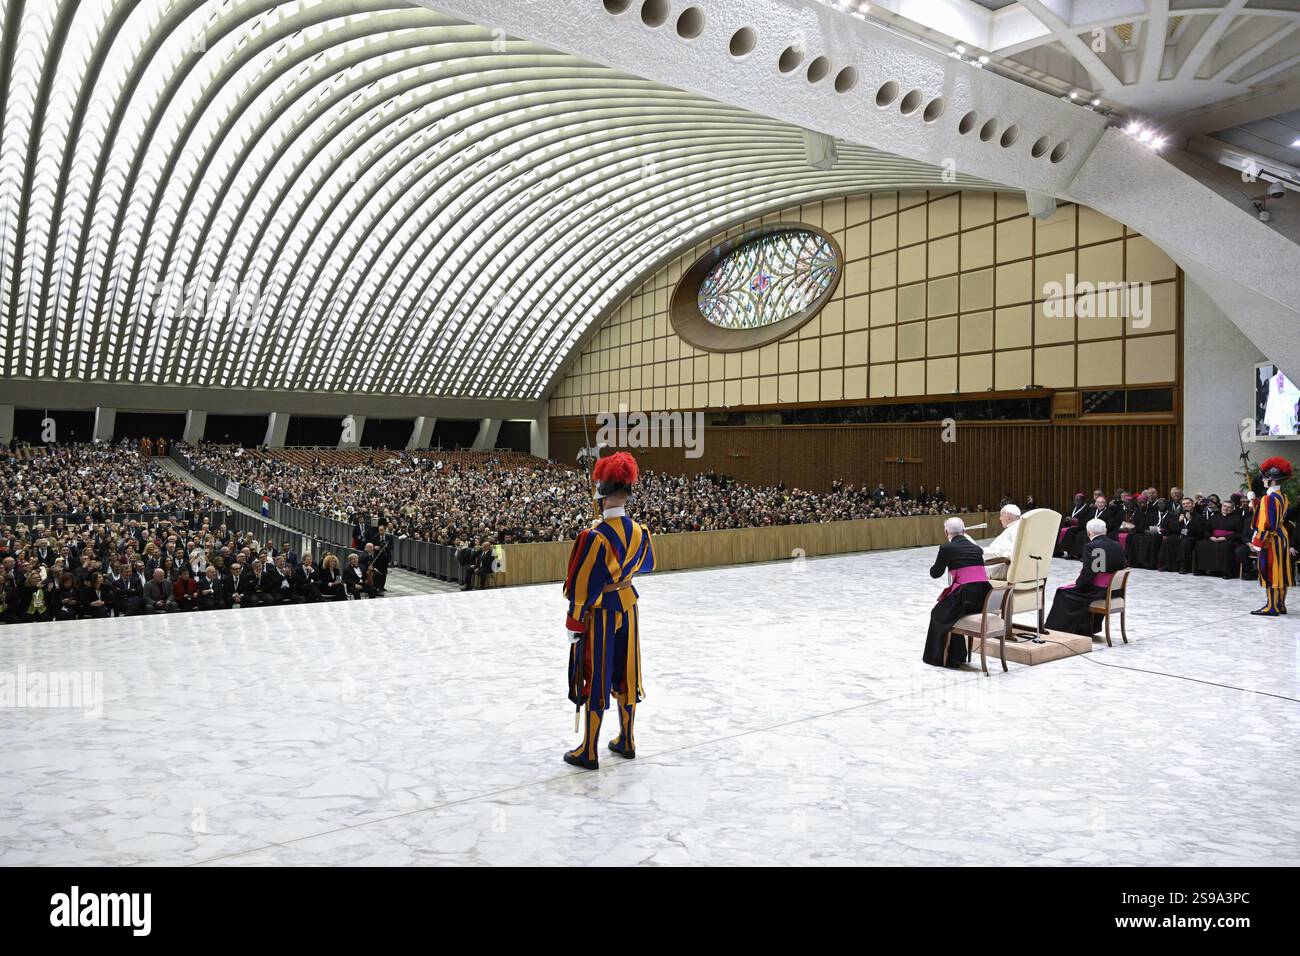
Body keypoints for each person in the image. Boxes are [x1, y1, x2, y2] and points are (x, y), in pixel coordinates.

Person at [563, 451, 655, 769]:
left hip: (601, 611)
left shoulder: (594, 536)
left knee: (596, 674)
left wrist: (574, 623)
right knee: (627, 673)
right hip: (629, 605)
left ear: (601, 496)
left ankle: (589, 749)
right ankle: (627, 739)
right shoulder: (641, 532)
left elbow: (581, 586)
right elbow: (648, 565)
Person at [923, 517, 991, 668]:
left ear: (946, 532)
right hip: (984, 596)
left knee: (938, 614)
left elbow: (935, 573)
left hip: (965, 596)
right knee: (952, 614)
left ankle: (940, 657)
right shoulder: (977, 549)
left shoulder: (947, 548)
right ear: (964, 531)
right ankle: (958, 654)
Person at [1045, 518, 1126, 635]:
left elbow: (1089, 573)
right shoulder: (1116, 544)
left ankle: (1056, 629)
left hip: (1099, 592)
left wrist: (1078, 585)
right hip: (1114, 591)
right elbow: (1122, 564)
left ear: (1089, 533)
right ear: (1106, 530)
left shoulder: (1092, 546)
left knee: (1063, 594)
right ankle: (1085, 628)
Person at [1249, 457, 1294, 616]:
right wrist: (1255, 502)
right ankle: (1280, 604)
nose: (1263, 480)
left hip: (1271, 539)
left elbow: (1266, 523)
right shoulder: (1282, 496)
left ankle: (1272, 607)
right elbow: (1270, 515)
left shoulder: (1269, 498)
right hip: (1281, 538)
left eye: (1266, 478)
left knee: (1270, 570)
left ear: (1273, 481)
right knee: (1280, 570)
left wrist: (1257, 542)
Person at [1195, 499, 1244, 579]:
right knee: (1200, 544)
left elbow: (1239, 533)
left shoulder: (1238, 518)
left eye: (1229, 507)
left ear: (1232, 509)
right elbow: (1206, 530)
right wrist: (1210, 537)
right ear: (1221, 507)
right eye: (1224, 506)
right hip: (1213, 538)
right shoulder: (1214, 516)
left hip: (1229, 540)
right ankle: (1203, 569)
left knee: (1226, 546)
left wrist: (1225, 538)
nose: (1226, 508)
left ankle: (1226, 572)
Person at [982, 504, 1021, 581]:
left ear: (1009, 517)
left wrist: (981, 551)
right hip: (1023, 571)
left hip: (1003, 569)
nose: (1000, 518)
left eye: (1001, 516)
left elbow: (1003, 553)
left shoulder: (1011, 531)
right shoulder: (1023, 528)